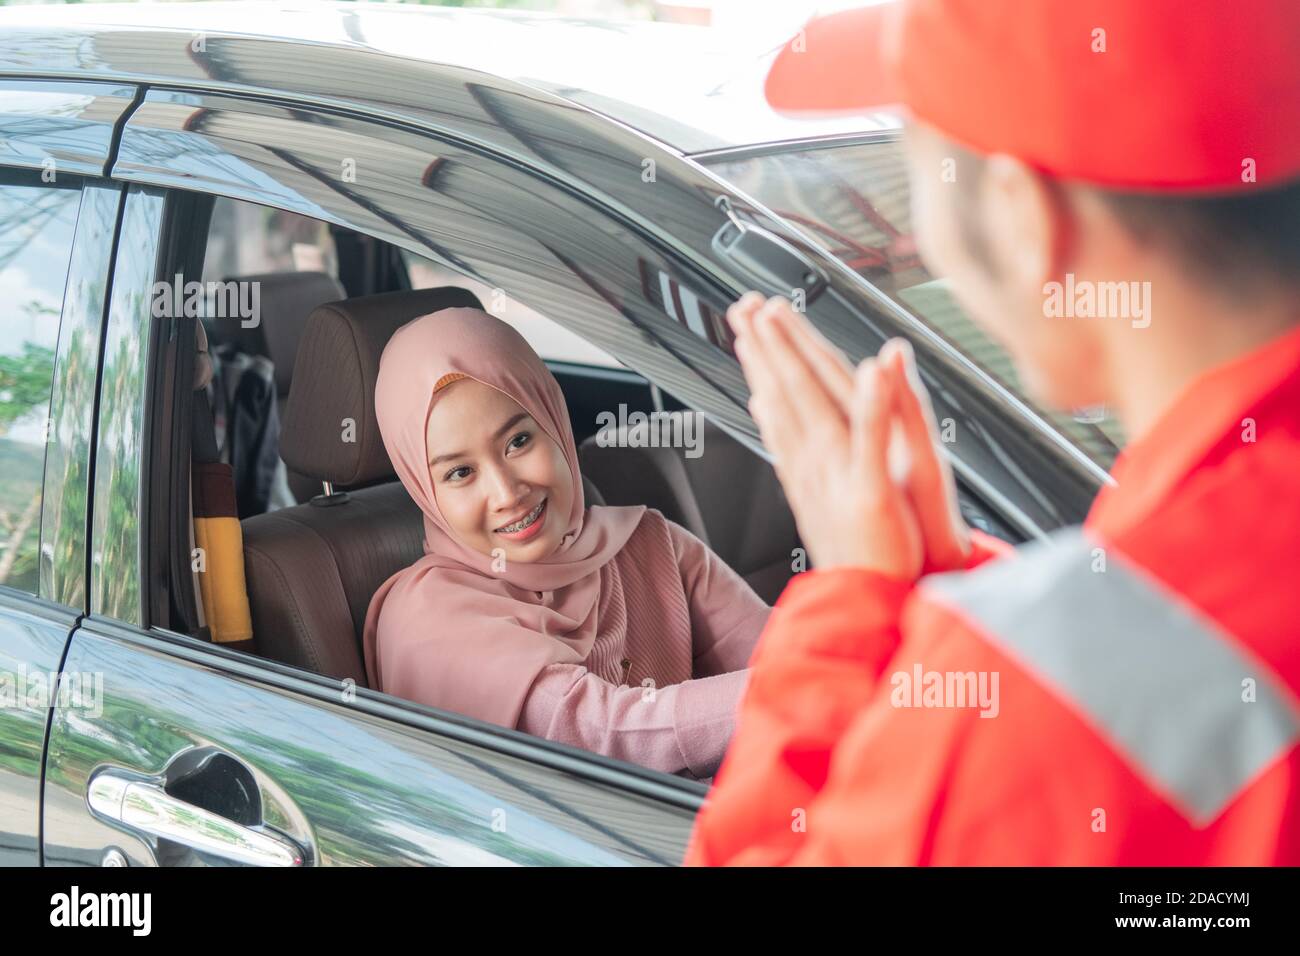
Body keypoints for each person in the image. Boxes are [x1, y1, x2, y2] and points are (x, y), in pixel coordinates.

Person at [686, 0, 1300, 864]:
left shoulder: (1041, 707)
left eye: (916, 176)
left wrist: (855, 600)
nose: (914, 236)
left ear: (1022, 218)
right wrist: (954, 597)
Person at [361, 306, 770, 781]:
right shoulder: (430, 623)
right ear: (421, 486)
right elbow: (607, 733)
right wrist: (805, 690)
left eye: (518, 442)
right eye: (460, 472)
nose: (506, 493)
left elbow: (779, 647)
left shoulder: (647, 542)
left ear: (554, 421)